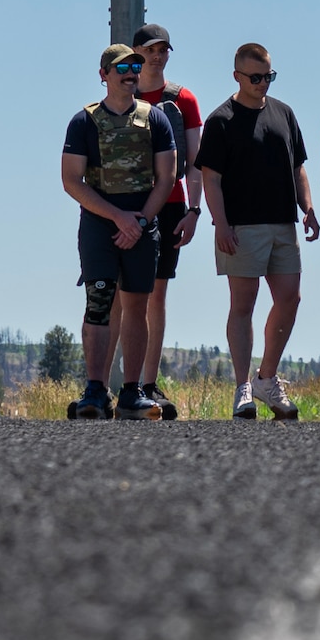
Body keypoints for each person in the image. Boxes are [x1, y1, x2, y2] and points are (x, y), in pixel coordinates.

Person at [196, 42, 320, 421]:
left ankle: (267, 377)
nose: (262, 83)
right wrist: (220, 224)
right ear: (237, 76)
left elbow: (298, 165)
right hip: (240, 228)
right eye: (255, 77)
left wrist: (309, 207)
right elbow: (210, 179)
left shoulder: (284, 113)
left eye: (268, 76)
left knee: (290, 298)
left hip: (284, 223)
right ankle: (242, 387)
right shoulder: (221, 121)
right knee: (243, 304)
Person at [60, 44, 178, 419]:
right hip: (99, 225)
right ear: (104, 74)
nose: (131, 72)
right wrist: (117, 217)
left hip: (142, 227)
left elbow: (167, 178)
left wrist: (139, 221)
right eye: (122, 66)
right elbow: (71, 180)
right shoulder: (84, 122)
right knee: (98, 302)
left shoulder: (155, 119)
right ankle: (95, 391)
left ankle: (132, 392)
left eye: (135, 66)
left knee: (137, 306)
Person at [130, 24, 204, 419]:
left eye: (163, 50)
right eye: (150, 49)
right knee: (124, 296)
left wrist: (194, 210)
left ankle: (147, 380)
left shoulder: (183, 99)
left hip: (172, 205)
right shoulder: (123, 95)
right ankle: (119, 384)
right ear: (135, 52)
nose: (157, 56)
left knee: (156, 294)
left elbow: (195, 162)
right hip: (126, 204)